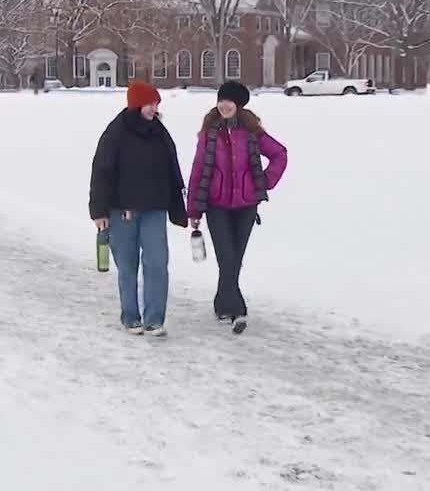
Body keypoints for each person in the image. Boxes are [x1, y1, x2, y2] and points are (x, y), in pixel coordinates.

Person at [186, 81, 287, 335]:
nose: (224, 105)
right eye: (221, 100)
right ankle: (238, 311)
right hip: (216, 206)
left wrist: (265, 180)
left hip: (246, 206)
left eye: (229, 101)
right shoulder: (209, 133)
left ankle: (222, 303)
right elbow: (198, 170)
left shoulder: (251, 132)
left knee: (234, 260)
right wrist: (194, 210)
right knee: (227, 258)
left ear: (238, 105)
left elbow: (280, 154)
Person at [89, 81, 187, 337]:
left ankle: (154, 319)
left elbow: (172, 170)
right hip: (123, 210)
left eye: (156, 104)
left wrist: (178, 206)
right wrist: (99, 211)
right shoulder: (116, 132)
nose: (154, 108)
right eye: (149, 104)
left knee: (157, 262)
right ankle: (130, 316)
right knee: (127, 265)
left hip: (155, 208)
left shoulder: (159, 132)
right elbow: (101, 172)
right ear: (136, 104)